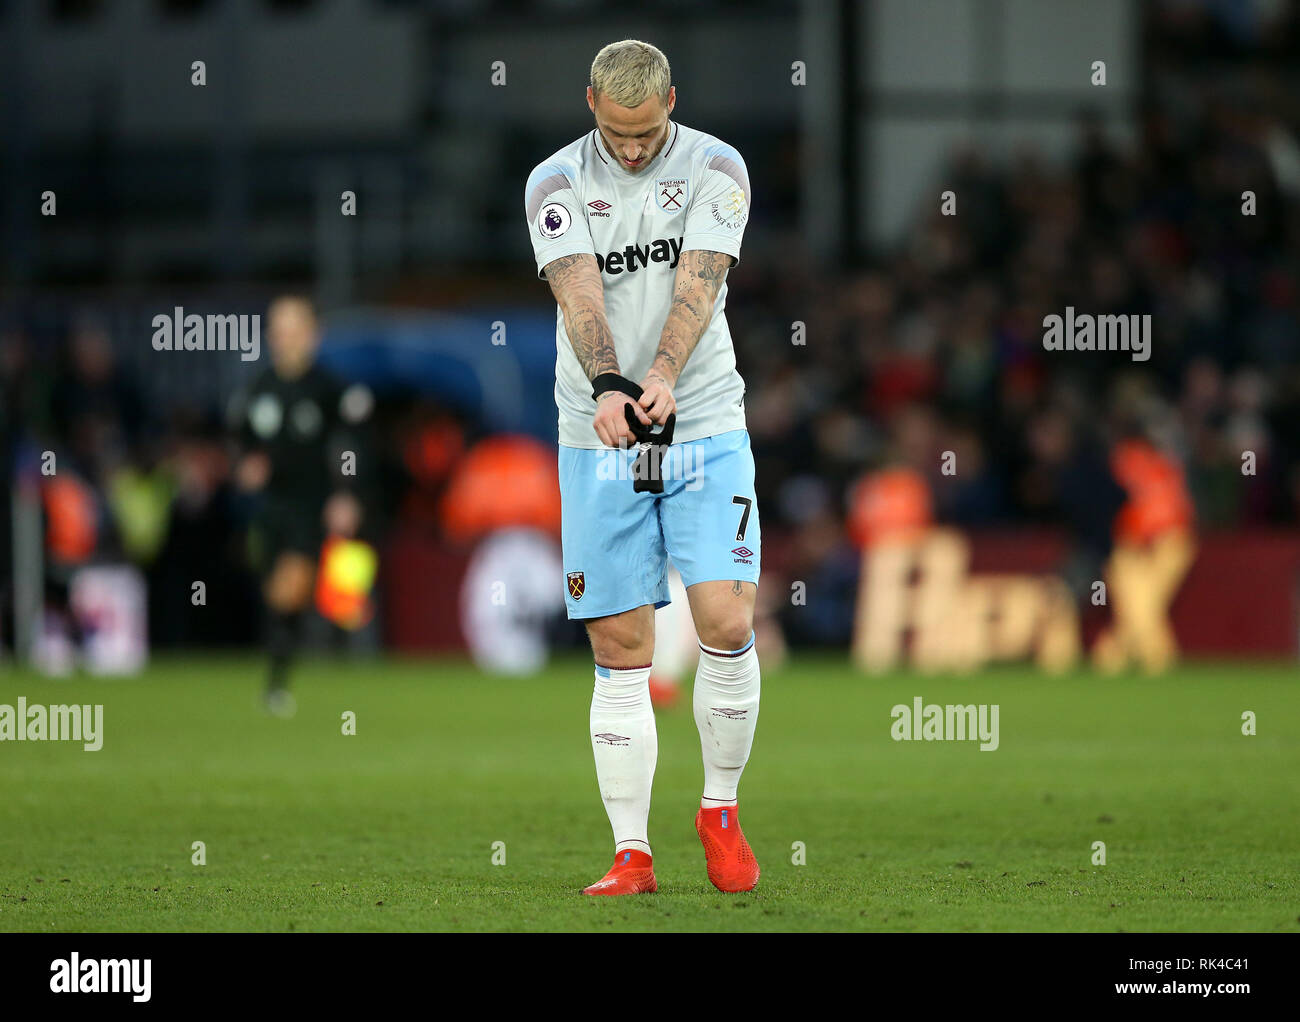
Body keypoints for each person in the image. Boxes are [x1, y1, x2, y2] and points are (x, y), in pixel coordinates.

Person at [525, 39, 761, 896]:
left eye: (648, 130)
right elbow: (579, 292)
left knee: (728, 622)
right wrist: (613, 386)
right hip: (598, 433)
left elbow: (698, 286)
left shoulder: (715, 166)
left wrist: (660, 379)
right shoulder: (553, 182)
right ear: (590, 100)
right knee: (621, 645)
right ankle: (632, 855)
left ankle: (720, 808)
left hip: (702, 420)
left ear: (673, 99)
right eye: (617, 132)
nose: (632, 148)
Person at [230, 296, 371, 716]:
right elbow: (241, 445)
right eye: (280, 331)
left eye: (295, 331)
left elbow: (350, 445)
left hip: (314, 508)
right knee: (280, 596)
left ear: (313, 336)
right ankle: (284, 675)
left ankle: (283, 681)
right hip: (269, 510)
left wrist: (346, 495)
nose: (287, 340)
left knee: (294, 589)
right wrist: (248, 466)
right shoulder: (258, 391)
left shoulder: (331, 389)